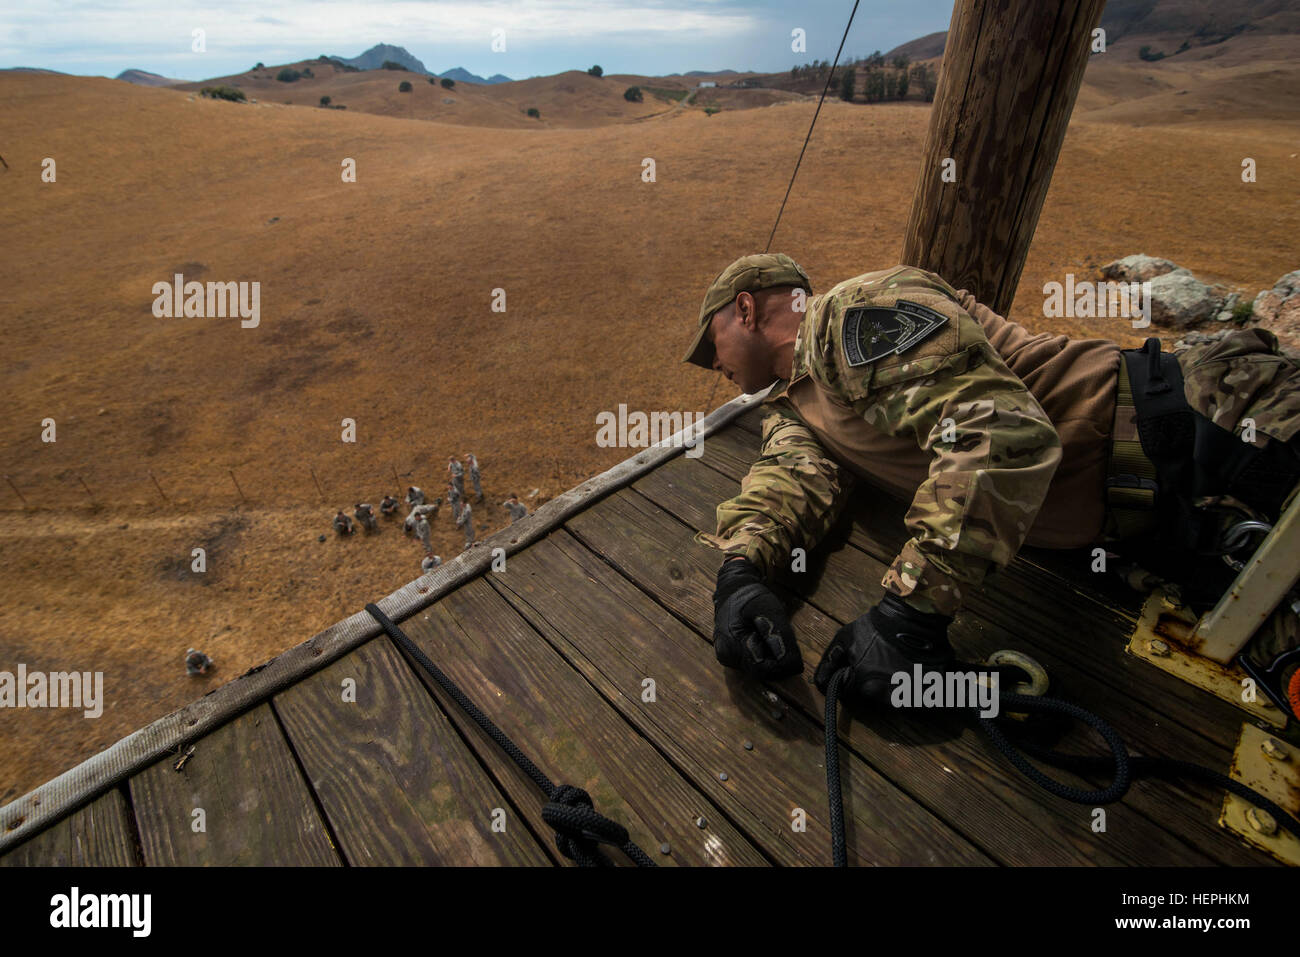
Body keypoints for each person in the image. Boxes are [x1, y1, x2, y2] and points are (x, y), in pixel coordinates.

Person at [683, 253, 1300, 702]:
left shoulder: (851, 313)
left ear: (745, 309)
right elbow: (789, 482)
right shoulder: (794, 404)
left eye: (711, 348)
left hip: (1216, 421)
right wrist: (740, 578)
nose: (712, 367)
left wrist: (909, 613)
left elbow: (1001, 433)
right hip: (1177, 532)